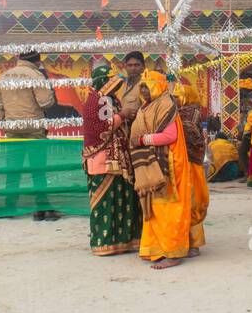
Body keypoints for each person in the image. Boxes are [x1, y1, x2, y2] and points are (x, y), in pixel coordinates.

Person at [129, 70, 193, 269]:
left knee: (168, 207)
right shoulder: (148, 105)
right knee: (155, 207)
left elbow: (169, 136)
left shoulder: (166, 104)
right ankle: (155, 248)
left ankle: (173, 253)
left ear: (159, 86)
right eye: (143, 88)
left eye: (148, 87)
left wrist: (142, 140)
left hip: (169, 164)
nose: (145, 91)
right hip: (153, 161)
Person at [81, 63, 141, 255]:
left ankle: (124, 242)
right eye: (112, 83)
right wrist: (122, 116)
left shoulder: (107, 99)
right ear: (103, 83)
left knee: (121, 201)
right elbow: (101, 129)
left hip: (115, 161)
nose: (115, 87)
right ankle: (104, 244)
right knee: (105, 203)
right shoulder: (97, 101)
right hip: (102, 160)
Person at [0, 51, 57, 214]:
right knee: (38, 169)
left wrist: (5, 123)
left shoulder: (5, 76)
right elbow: (45, 102)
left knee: (13, 169)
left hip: (13, 128)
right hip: (34, 128)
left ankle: (10, 205)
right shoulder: (36, 76)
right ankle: (41, 206)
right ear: (37, 61)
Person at [174, 82, 209, 256]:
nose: (175, 98)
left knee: (192, 200)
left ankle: (193, 243)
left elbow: (189, 136)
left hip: (191, 163)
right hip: (183, 162)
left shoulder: (190, 113)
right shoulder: (181, 113)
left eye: (178, 95)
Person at [118, 51, 146, 122]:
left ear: (143, 67)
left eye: (137, 65)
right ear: (125, 67)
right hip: (119, 128)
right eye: (130, 65)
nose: (133, 68)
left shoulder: (146, 87)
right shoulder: (120, 84)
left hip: (136, 128)